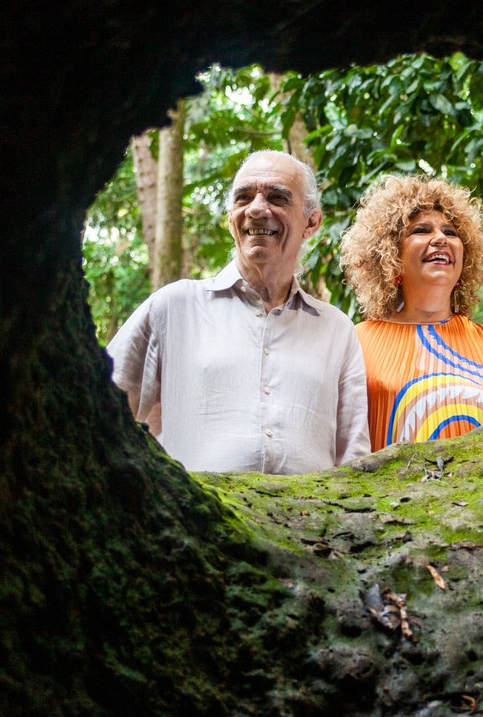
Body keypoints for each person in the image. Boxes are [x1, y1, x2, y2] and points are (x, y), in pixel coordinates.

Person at [107, 150, 370, 474]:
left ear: (311, 222)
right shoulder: (173, 307)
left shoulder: (337, 329)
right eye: (244, 197)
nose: (258, 209)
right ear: (231, 215)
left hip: (309, 522)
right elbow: (98, 409)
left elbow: (354, 457)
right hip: (196, 520)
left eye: (277, 197)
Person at [340, 174, 483, 452]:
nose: (440, 239)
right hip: (389, 495)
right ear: (390, 255)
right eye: (421, 230)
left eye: (450, 232)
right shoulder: (358, 341)